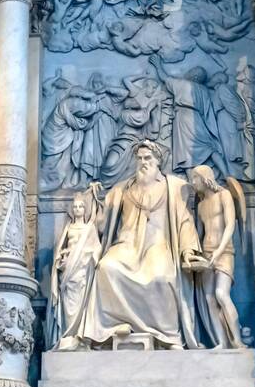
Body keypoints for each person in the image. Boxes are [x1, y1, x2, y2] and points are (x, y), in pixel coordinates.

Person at [77, 140, 203, 349]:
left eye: (148, 158)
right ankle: (114, 328)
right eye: (140, 159)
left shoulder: (173, 187)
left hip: (157, 244)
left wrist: (188, 249)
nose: (143, 163)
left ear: (158, 162)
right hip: (127, 244)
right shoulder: (123, 189)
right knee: (107, 268)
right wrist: (91, 198)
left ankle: (167, 336)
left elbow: (185, 221)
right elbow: (101, 221)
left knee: (163, 276)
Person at [187, 166, 245, 348]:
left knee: (221, 294)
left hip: (224, 251)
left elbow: (230, 225)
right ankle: (222, 342)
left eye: (195, 178)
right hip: (206, 252)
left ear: (205, 178)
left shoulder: (224, 195)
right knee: (209, 298)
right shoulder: (202, 204)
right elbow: (199, 232)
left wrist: (219, 251)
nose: (192, 183)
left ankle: (237, 341)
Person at [46, 188, 103, 350]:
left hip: (82, 269)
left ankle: (79, 334)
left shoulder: (89, 229)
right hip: (68, 271)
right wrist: (60, 258)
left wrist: (92, 256)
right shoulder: (68, 228)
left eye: (81, 206)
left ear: (85, 209)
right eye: (75, 207)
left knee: (81, 302)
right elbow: (59, 250)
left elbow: (96, 247)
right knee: (68, 303)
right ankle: (68, 334)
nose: (78, 209)